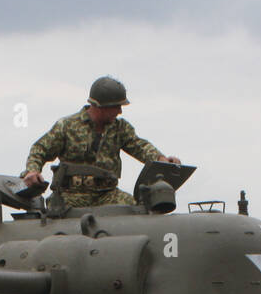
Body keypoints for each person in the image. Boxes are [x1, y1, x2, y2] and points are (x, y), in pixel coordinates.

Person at [21, 76, 181, 208]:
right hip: (71, 196)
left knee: (138, 210)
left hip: (108, 194)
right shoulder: (67, 126)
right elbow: (40, 149)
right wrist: (32, 171)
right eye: (116, 106)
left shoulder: (119, 128)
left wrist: (162, 160)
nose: (120, 111)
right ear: (100, 107)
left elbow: (140, 146)